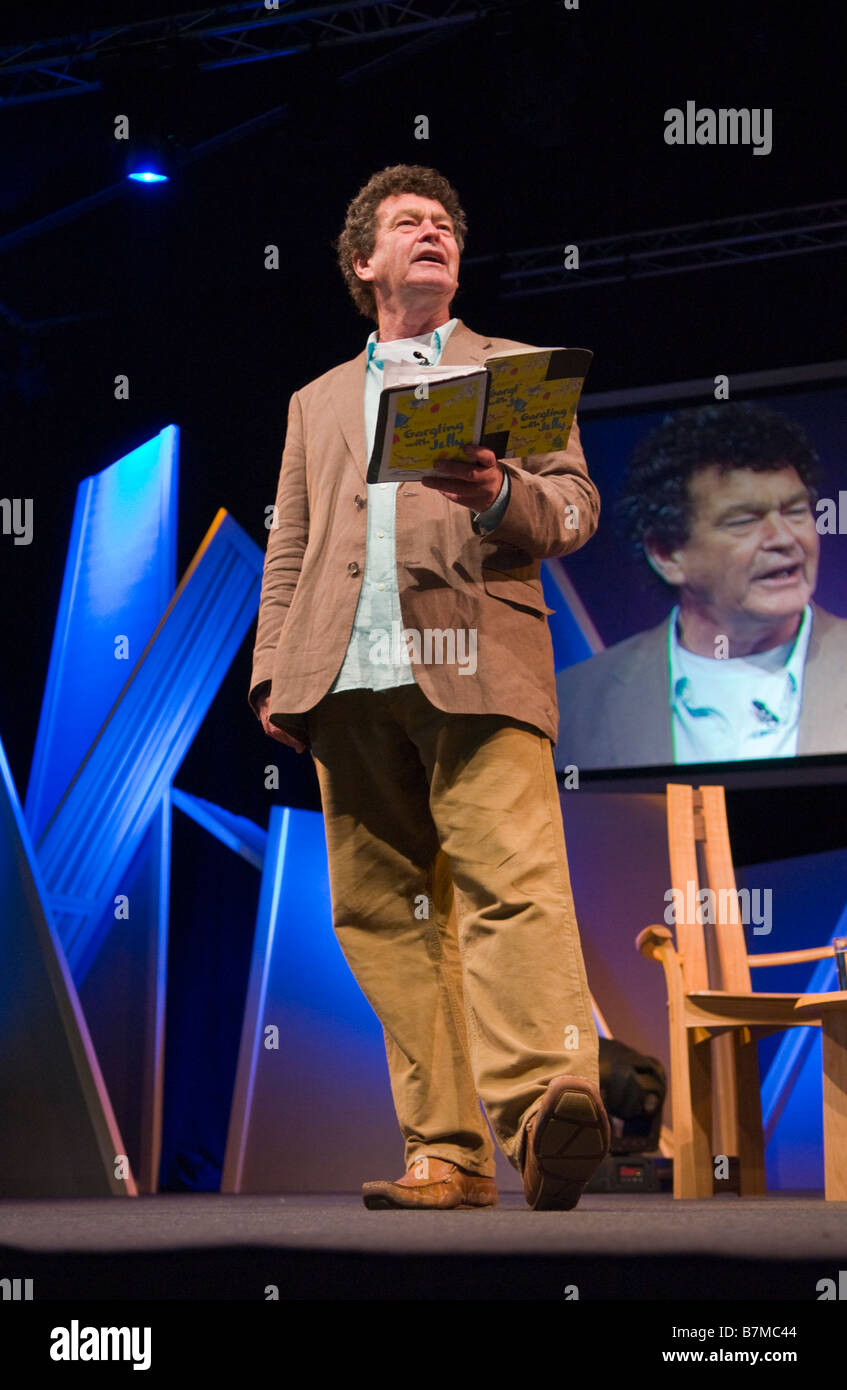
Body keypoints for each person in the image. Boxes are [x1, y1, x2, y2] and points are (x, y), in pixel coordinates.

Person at [249, 164, 609, 1210]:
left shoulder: (514, 371)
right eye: (408, 222)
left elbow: (577, 510)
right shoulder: (315, 399)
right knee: (380, 915)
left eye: (446, 221)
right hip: (342, 681)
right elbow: (291, 549)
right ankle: (444, 1154)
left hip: (477, 661)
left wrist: (501, 494)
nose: (434, 230)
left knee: (512, 887)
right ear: (364, 264)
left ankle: (551, 1113)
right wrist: (273, 667)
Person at [556, 403, 847, 769]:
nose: (784, 538)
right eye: (744, 521)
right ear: (667, 554)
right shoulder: (570, 705)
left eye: (795, 511)